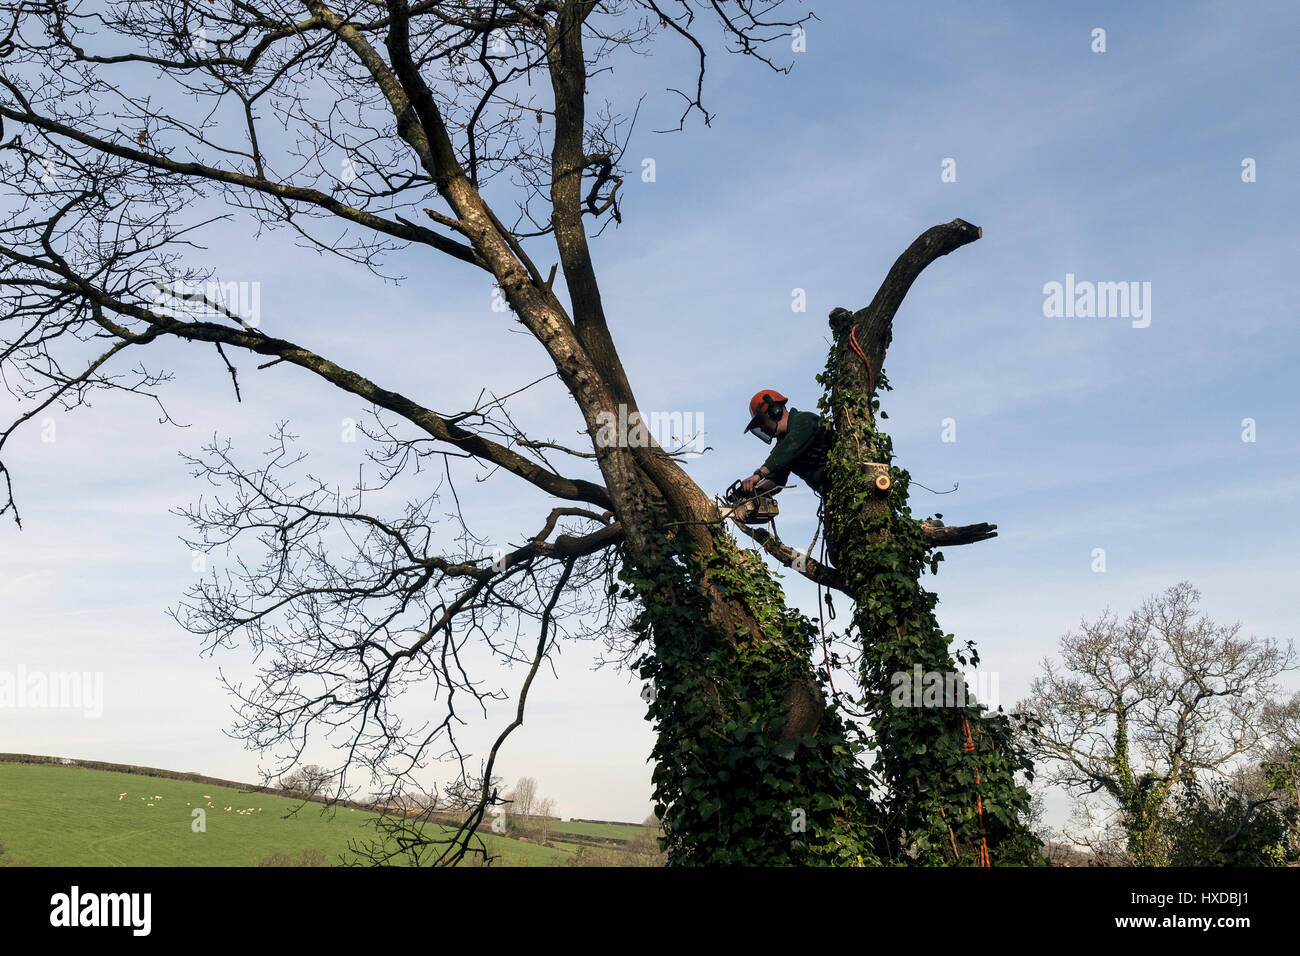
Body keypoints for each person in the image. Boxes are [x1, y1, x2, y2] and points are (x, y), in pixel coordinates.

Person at [738, 389, 840, 565]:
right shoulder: (783, 444)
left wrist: (757, 475)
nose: (762, 428)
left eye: (761, 422)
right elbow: (777, 479)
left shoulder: (804, 421)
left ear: (774, 410)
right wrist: (756, 491)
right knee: (836, 554)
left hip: (844, 486)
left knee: (844, 546)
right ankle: (799, 564)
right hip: (830, 495)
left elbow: (786, 452)